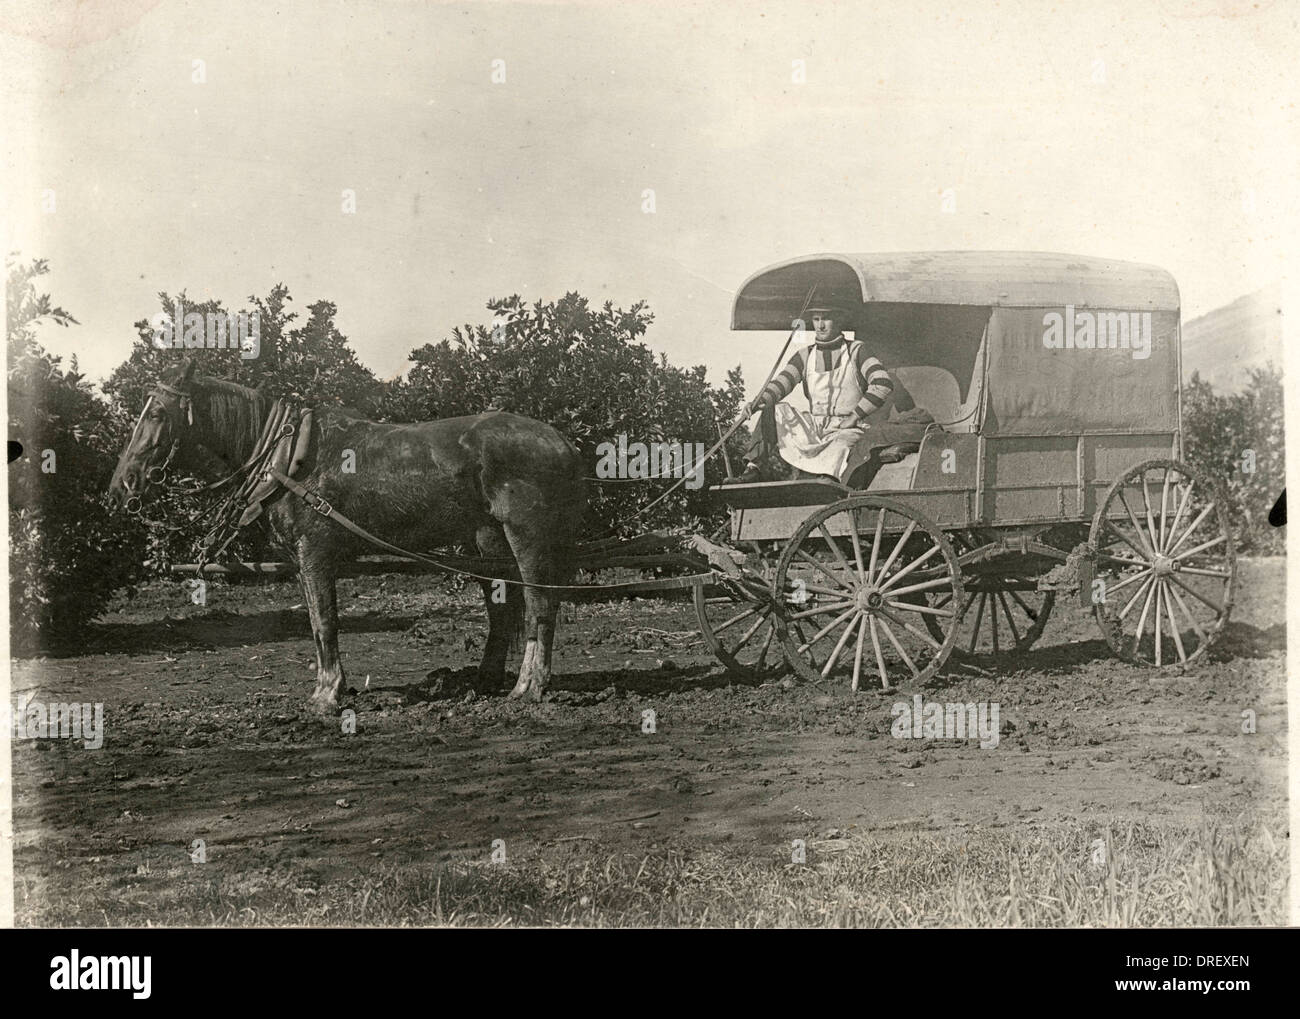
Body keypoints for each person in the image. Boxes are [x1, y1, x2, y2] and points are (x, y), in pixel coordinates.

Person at [726, 302, 928, 485]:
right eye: (816, 319)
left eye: (827, 319)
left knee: (840, 447)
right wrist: (760, 401)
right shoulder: (805, 356)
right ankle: (754, 468)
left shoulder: (857, 351)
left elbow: (883, 384)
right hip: (815, 427)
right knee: (772, 411)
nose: (821, 325)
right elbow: (782, 384)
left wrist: (854, 416)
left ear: (839, 320)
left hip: (847, 429)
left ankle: (825, 484)